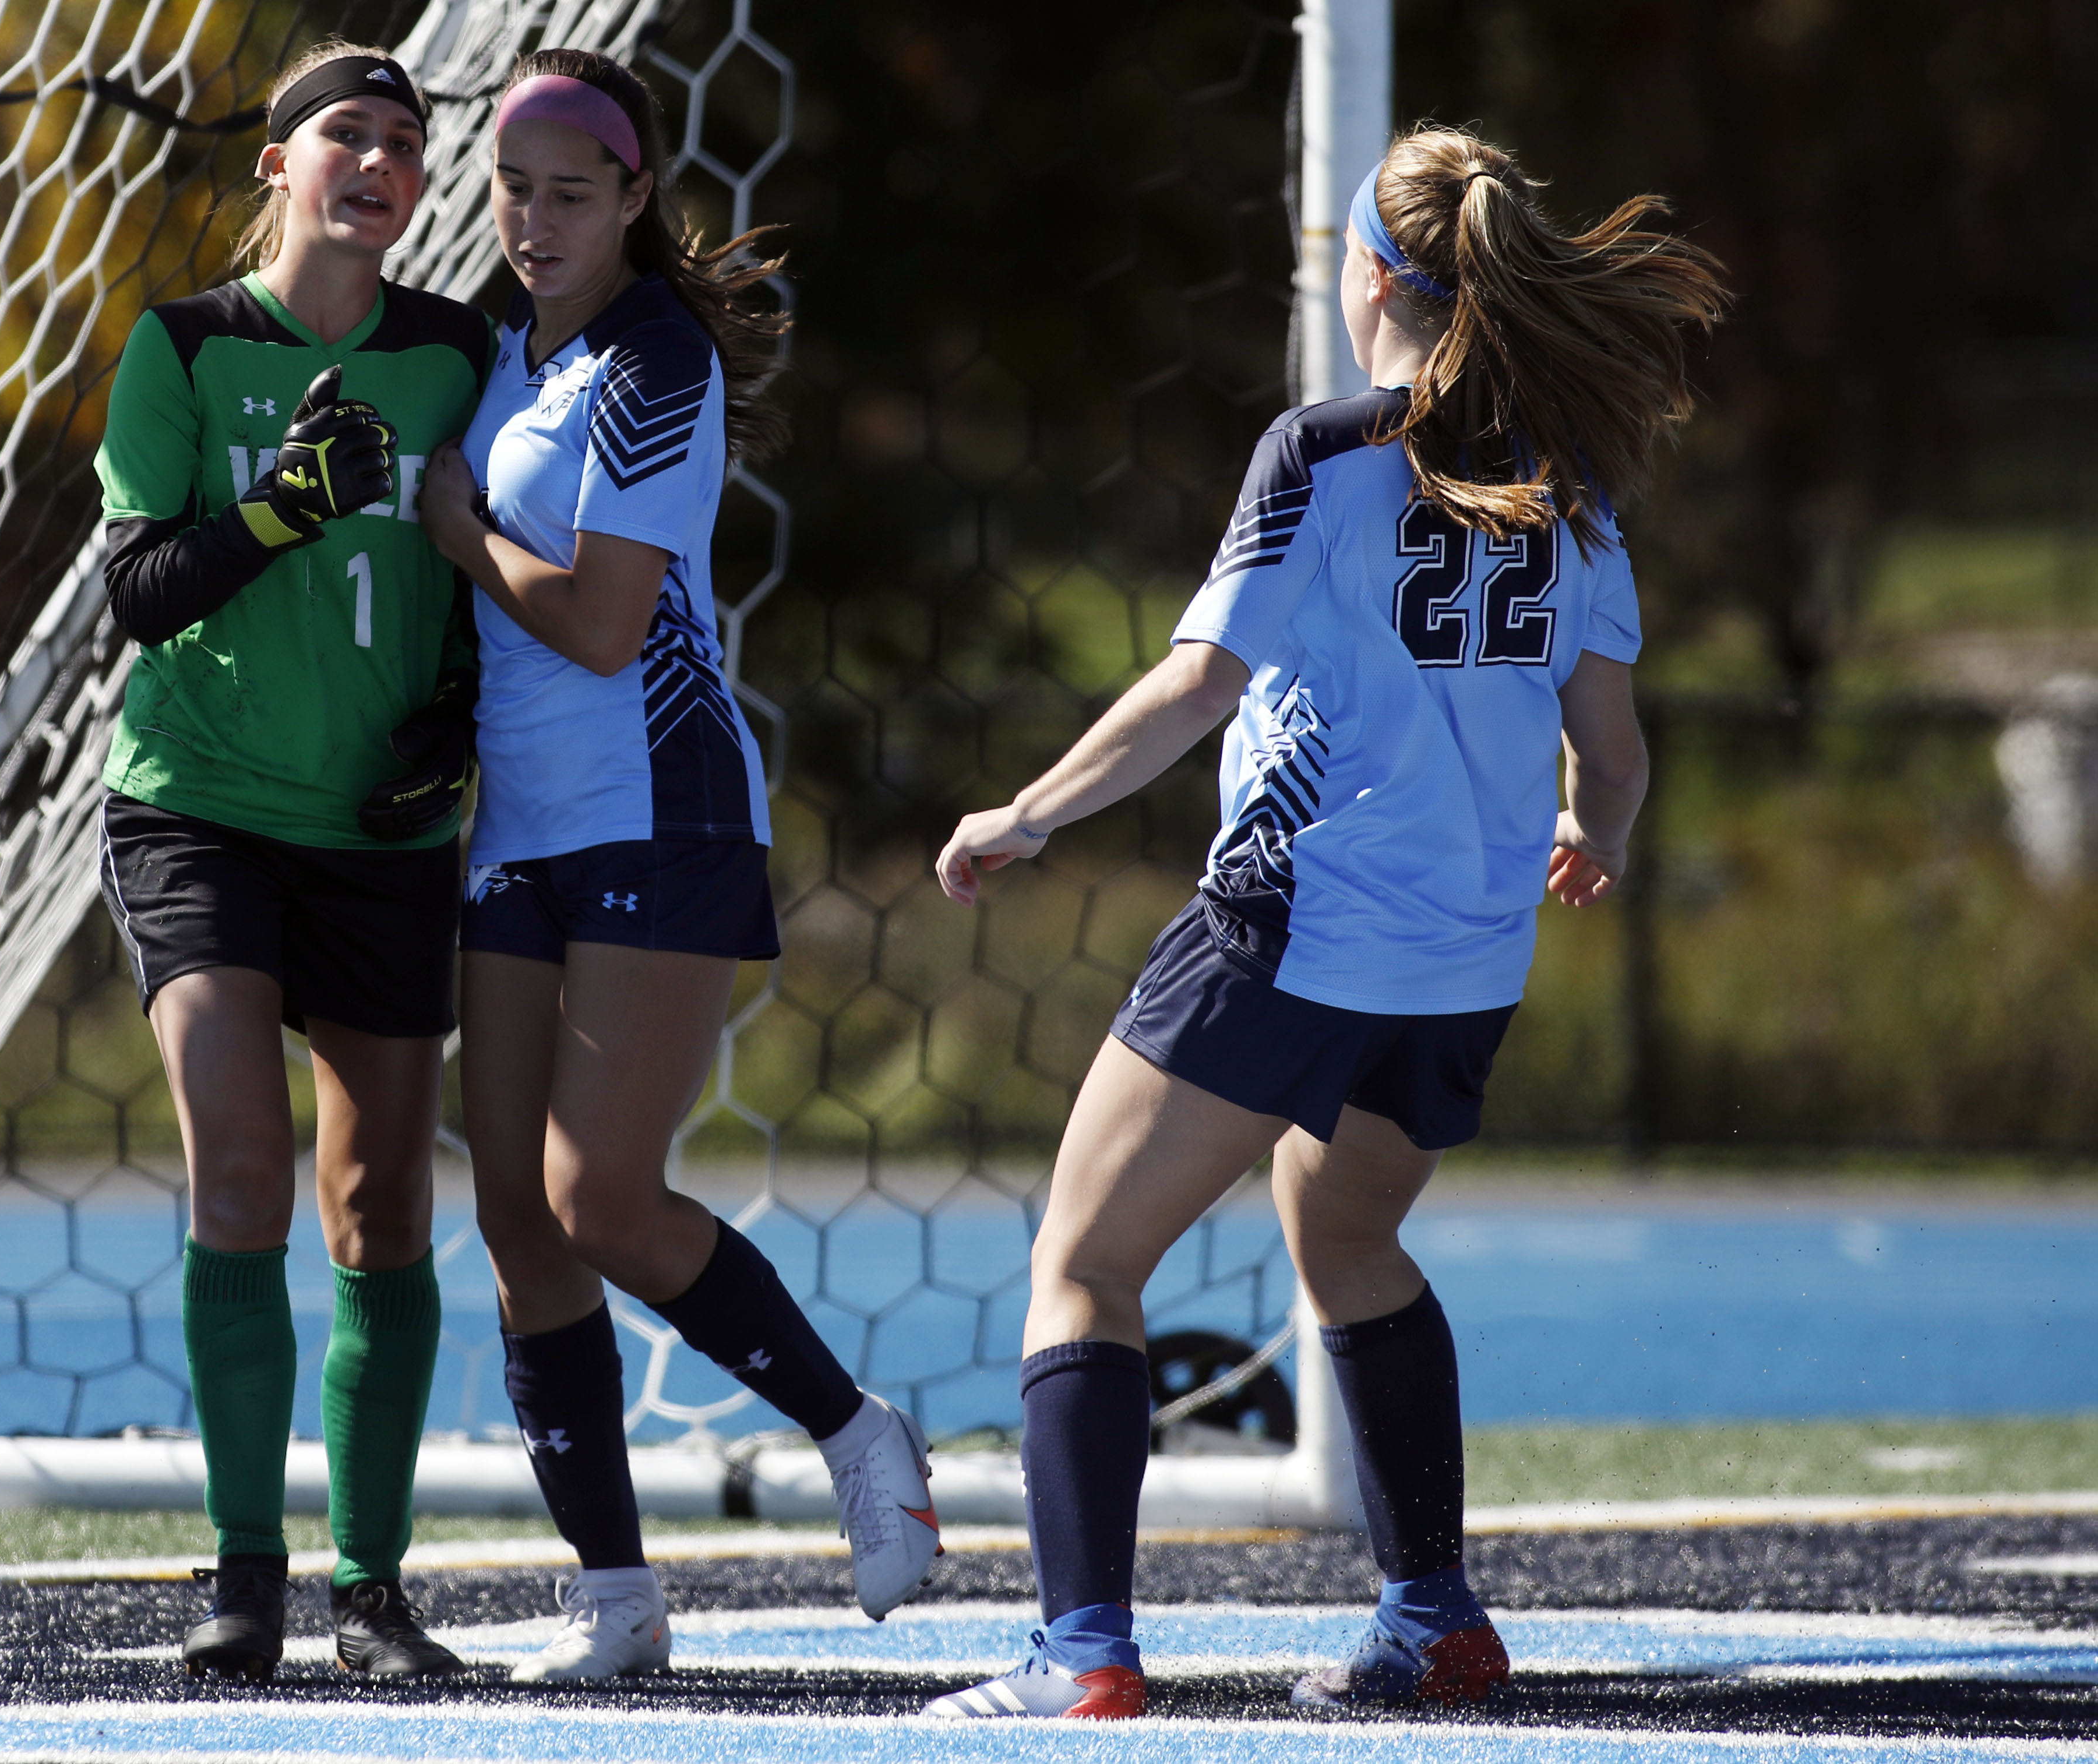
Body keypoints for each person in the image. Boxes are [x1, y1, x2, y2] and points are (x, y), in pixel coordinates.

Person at [920, 128, 1728, 1721]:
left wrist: (1026, 811)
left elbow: (1198, 685)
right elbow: (1617, 752)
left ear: (1364, 270)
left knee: (1083, 1259)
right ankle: (1436, 1610)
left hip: (1298, 925)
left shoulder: (1327, 448)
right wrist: (1596, 838)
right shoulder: (1575, 480)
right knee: (1348, 1236)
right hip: (1470, 951)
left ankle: (1082, 1649)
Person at [417, 48, 942, 1683]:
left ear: (639, 196)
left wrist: (459, 536)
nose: (537, 217)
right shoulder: (498, 348)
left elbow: (599, 620)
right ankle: (620, 1600)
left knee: (602, 1194)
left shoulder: (660, 363)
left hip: (663, 813)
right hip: (520, 834)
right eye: (516, 188)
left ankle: (859, 1435)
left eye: (573, 190)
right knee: (516, 1213)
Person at [91, 38, 493, 1684]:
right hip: (197, 808)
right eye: (350, 132)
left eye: (406, 140)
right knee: (241, 1167)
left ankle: (373, 1589)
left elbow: (501, 558)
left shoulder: (466, 355)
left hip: (386, 836)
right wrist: (277, 512)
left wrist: (459, 708)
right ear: (278, 162)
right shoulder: (183, 345)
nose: (380, 159)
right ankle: (244, 1572)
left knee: (382, 1202)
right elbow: (135, 595)